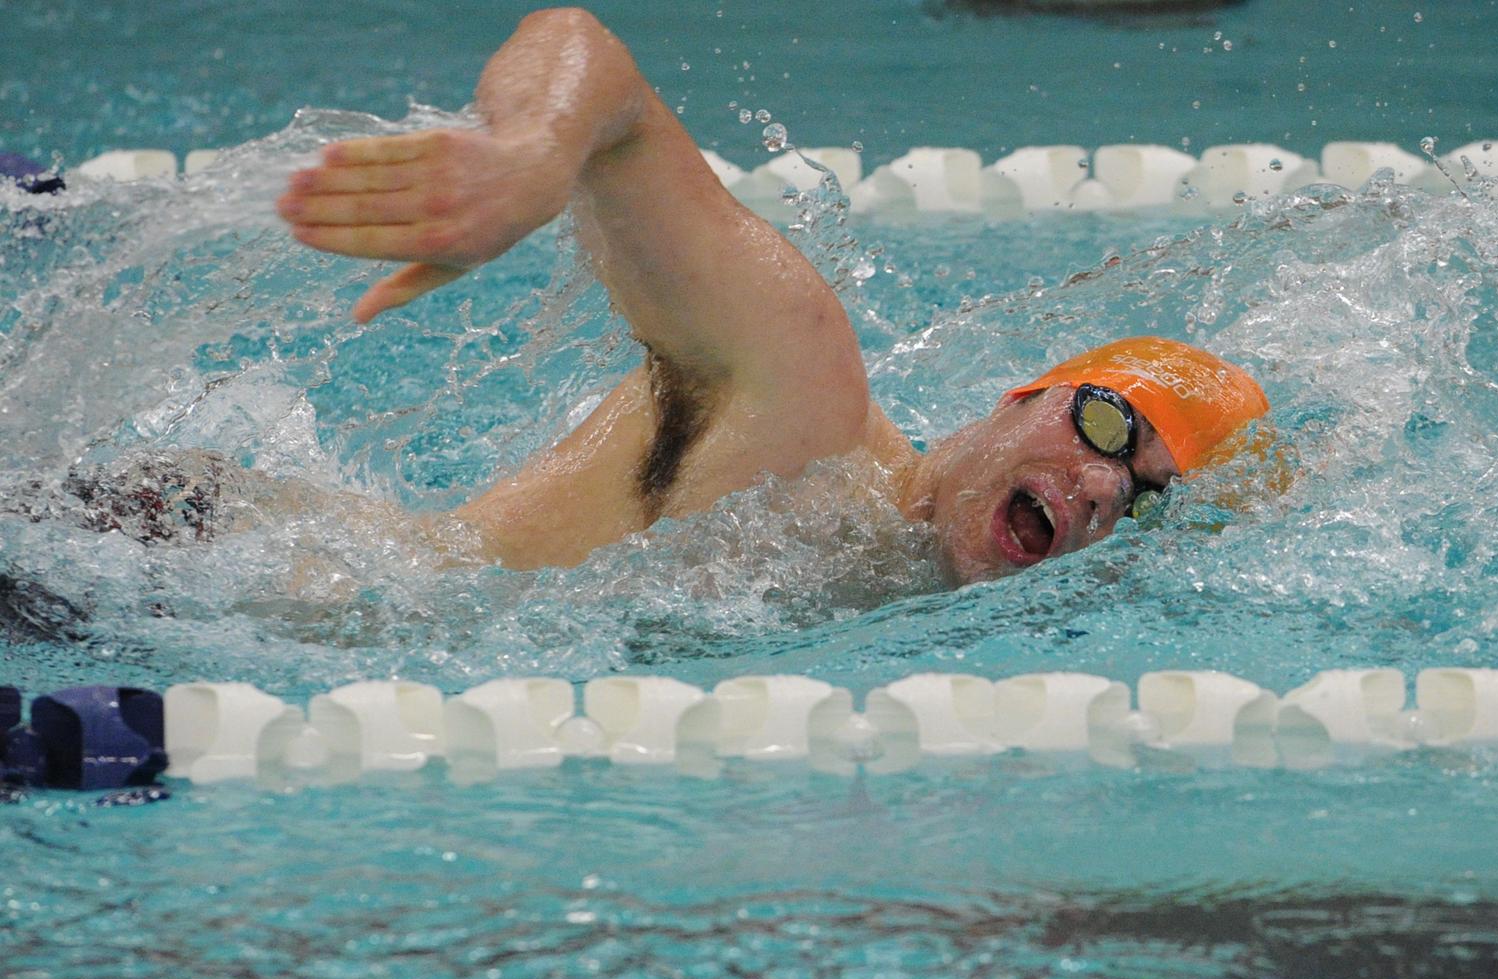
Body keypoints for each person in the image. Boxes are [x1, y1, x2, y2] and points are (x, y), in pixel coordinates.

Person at [274, 7, 1269, 586]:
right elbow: (589, 55)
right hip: (228, 560)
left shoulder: (897, 597)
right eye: (1106, 424)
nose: (1102, 489)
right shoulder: (807, 402)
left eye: (1146, 496)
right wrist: (533, 156)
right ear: (1020, 396)